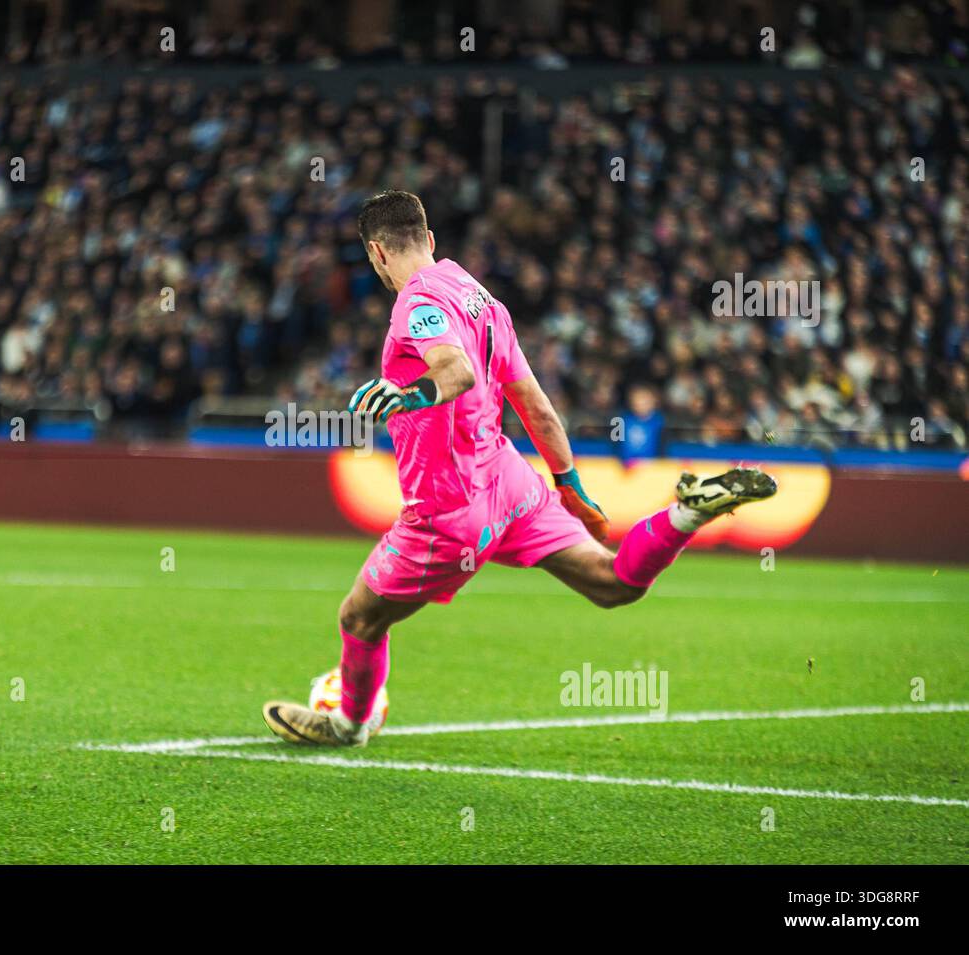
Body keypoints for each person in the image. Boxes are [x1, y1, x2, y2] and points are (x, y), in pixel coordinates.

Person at [263, 191, 777, 747]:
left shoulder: (417, 305)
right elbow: (535, 405)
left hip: (448, 508)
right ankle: (682, 516)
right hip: (509, 481)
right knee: (613, 584)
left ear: (376, 254)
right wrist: (570, 483)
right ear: (430, 240)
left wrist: (407, 397)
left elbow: (454, 371)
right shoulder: (480, 296)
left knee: (359, 620)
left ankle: (349, 724)